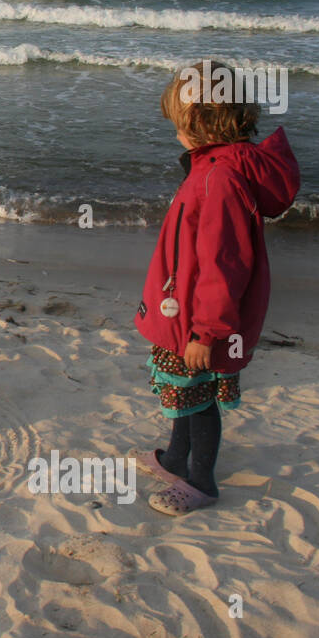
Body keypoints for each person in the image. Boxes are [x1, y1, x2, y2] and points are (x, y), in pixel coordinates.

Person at [133, 60, 300, 515]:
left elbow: (224, 265)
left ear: (201, 124)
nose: (176, 135)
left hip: (198, 322)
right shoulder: (211, 166)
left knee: (199, 398)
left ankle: (201, 481)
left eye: (179, 125)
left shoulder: (219, 178)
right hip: (182, 311)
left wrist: (206, 332)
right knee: (182, 393)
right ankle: (173, 459)